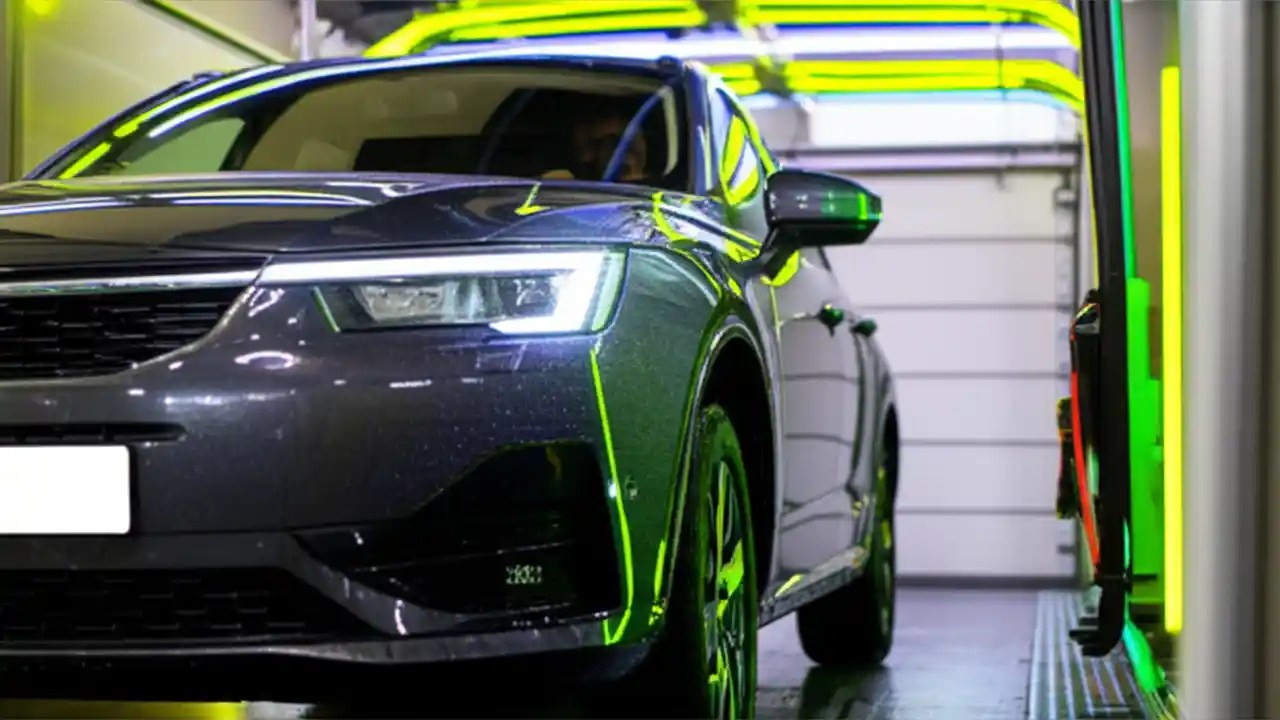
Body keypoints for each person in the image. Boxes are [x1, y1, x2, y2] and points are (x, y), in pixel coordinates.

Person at [543, 102, 647, 182]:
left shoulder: (655, 193)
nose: (617, 152)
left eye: (627, 144)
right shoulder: (560, 186)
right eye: (597, 143)